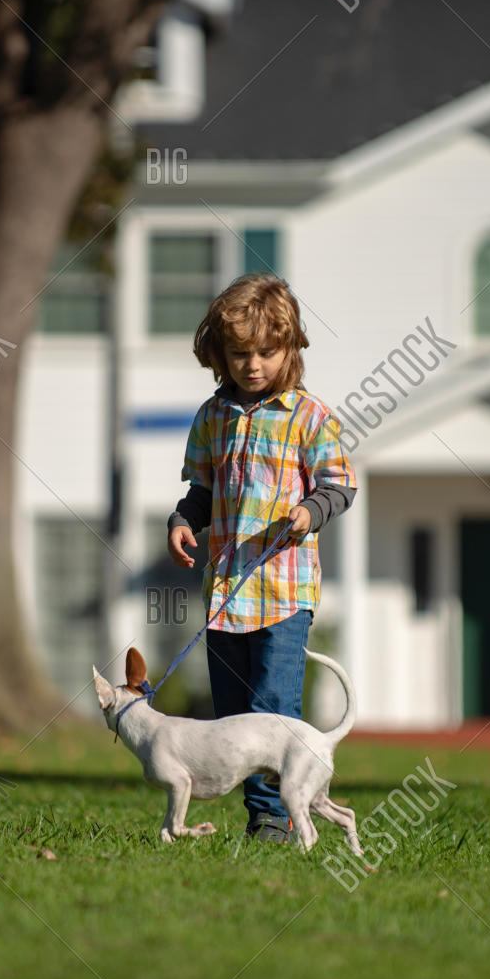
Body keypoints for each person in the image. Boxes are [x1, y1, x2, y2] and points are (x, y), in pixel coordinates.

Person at [166, 272, 357, 843]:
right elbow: (200, 492)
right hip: (225, 595)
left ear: (290, 347)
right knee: (232, 720)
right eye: (239, 353)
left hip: (283, 594)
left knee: (271, 709)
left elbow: (340, 485)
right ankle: (262, 813)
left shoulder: (309, 417)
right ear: (219, 354)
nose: (253, 365)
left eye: (267, 352)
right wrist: (182, 522)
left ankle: (272, 818)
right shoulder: (212, 418)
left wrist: (310, 511)